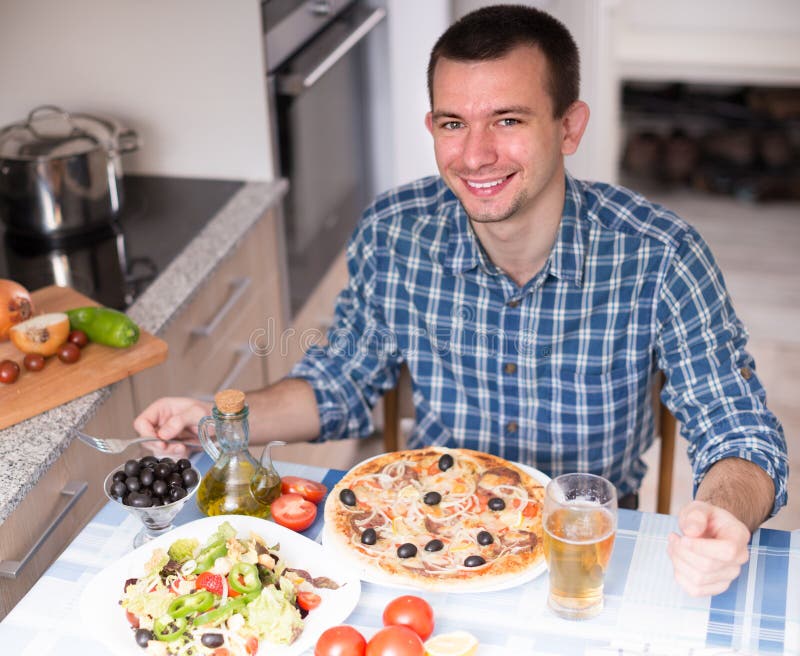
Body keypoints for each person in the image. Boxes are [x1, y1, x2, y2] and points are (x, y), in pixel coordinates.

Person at [135, 5, 787, 597]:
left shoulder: (661, 254)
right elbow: (340, 383)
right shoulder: (394, 233)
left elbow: (737, 428)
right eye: (454, 122)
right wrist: (219, 420)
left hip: (582, 558)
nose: (475, 155)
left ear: (569, 127)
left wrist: (724, 514)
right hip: (422, 542)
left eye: (508, 120)